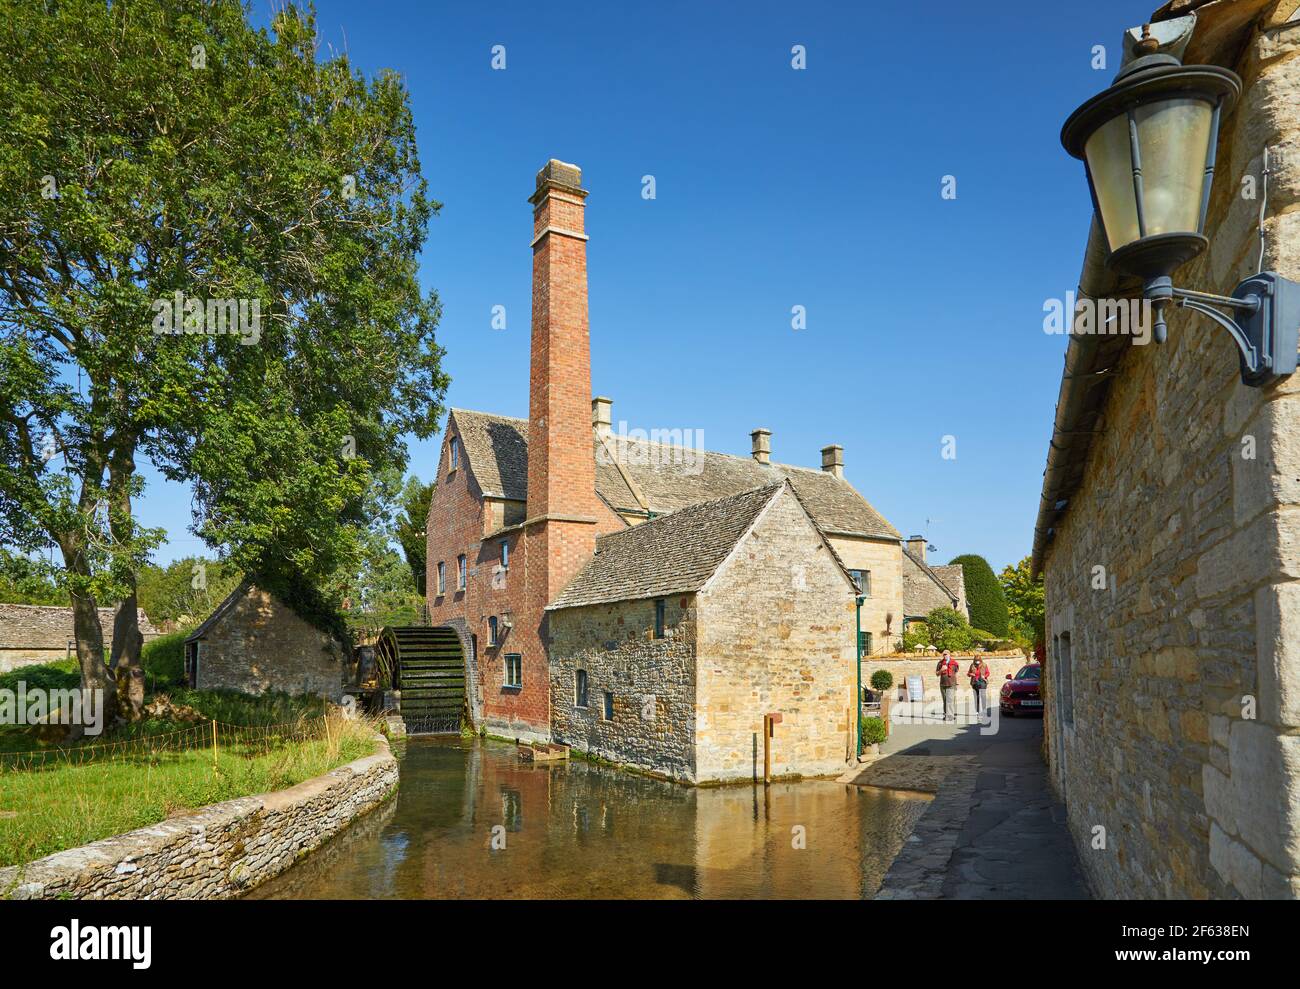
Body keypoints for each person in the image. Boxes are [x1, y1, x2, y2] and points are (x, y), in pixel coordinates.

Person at [936, 650, 959, 722]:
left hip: (951, 684)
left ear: (949, 654)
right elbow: (937, 674)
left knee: (950, 700)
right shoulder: (940, 663)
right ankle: (946, 714)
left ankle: (950, 715)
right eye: (943, 655)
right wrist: (941, 670)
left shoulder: (954, 663)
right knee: (945, 700)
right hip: (943, 684)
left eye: (946, 654)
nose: (944, 656)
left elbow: (956, 671)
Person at [968, 655, 991, 719]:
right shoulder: (972, 665)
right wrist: (970, 674)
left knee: (983, 697)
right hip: (974, 683)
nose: (977, 662)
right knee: (976, 697)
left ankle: (984, 711)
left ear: (980, 660)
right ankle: (977, 712)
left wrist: (984, 676)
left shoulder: (984, 665)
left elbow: (988, 673)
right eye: (976, 660)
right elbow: (968, 673)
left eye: (978, 660)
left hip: (982, 682)